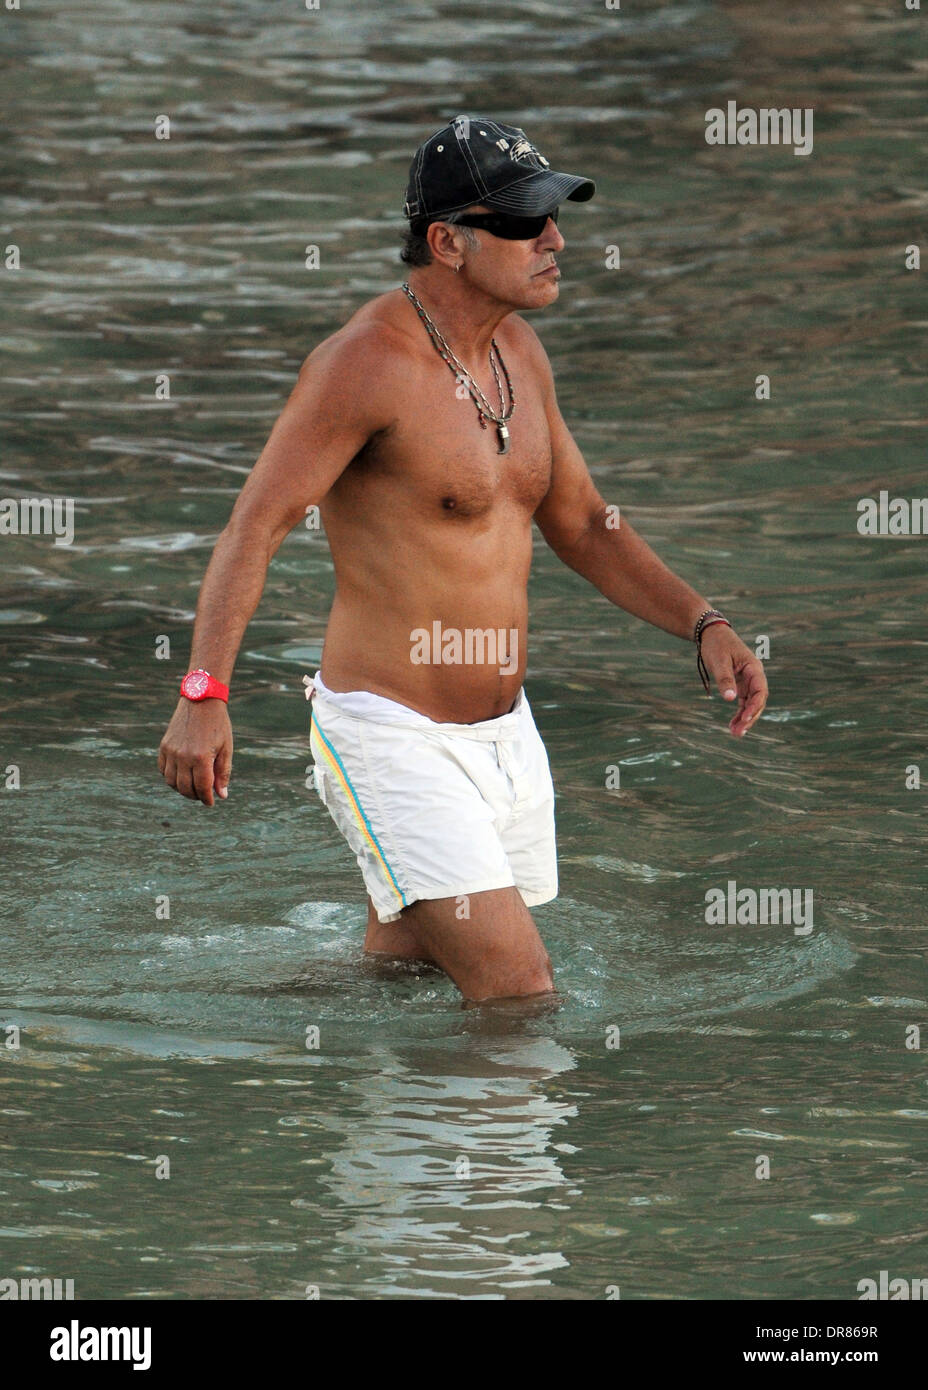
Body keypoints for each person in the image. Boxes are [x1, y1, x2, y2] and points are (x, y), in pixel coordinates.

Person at [158, 115, 768, 1005]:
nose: (555, 239)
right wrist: (203, 695)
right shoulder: (363, 365)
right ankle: (512, 1150)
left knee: (404, 985)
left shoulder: (519, 350)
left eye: (554, 216)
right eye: (525, 223)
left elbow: (586, 523)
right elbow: (255, 526)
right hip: (393, 735)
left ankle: (223, 1031)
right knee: (519, 992)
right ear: (447, 242)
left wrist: (702, 621)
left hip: (505, 736)